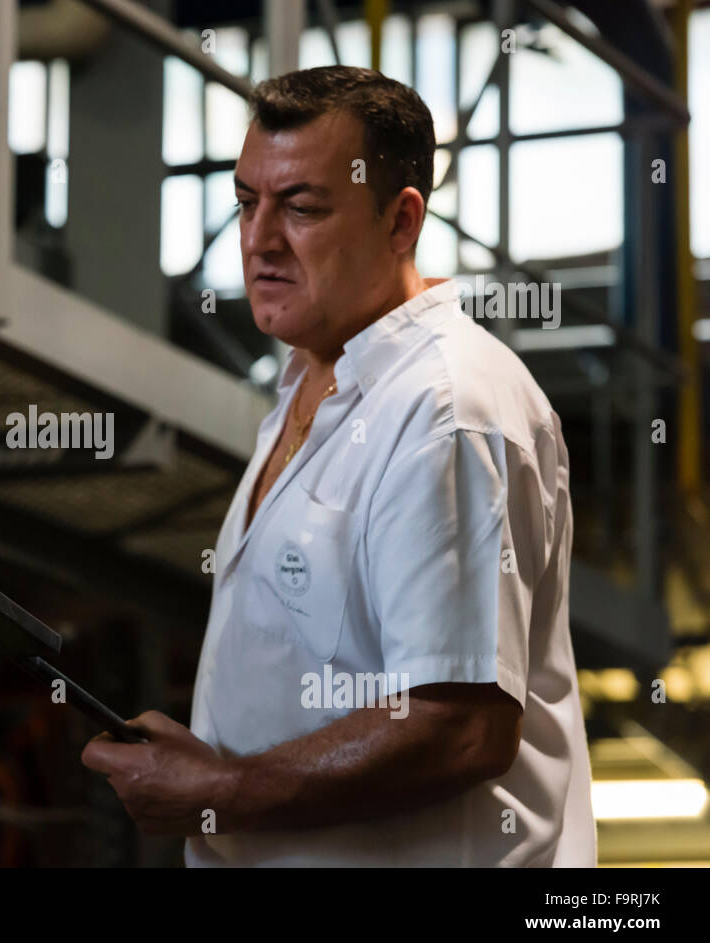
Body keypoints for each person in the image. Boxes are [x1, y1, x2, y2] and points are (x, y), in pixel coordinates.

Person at [81, 66, 596, 867]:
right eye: (247, 203)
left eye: (303, 207)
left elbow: (458, 724)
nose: (258, 240)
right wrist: (212, 765)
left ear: (402, 221)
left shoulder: (445, 407)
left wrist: (223, 790)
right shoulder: (309, 384)